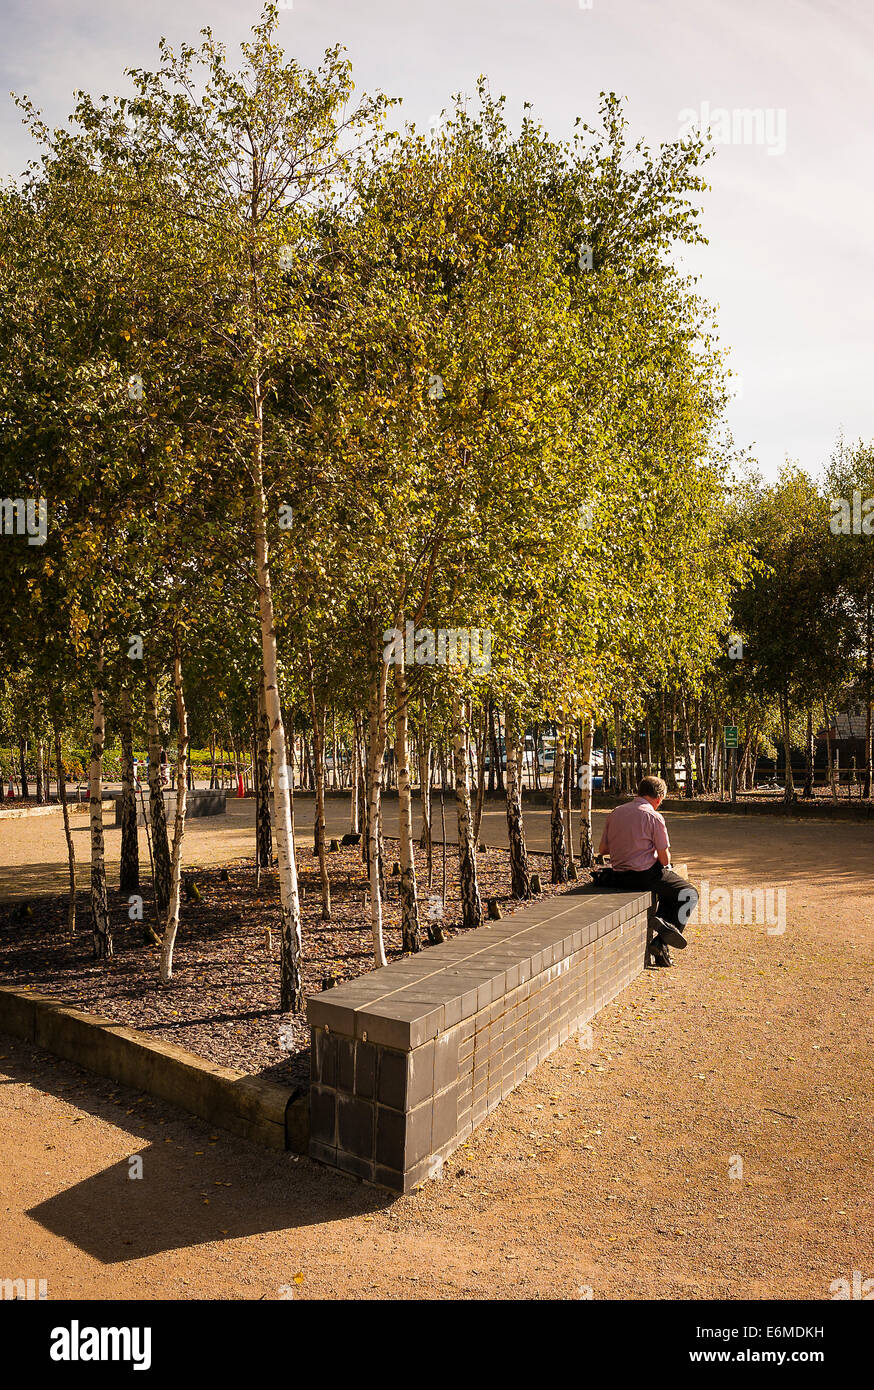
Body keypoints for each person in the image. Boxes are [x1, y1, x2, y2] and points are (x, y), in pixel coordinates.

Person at [596, 774, 698, 968]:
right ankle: (662, 940)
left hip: (618, 876)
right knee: (689, 894)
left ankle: (662, 934)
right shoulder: (653, 816)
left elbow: (603, 849)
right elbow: (665, 858)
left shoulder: (616, 812)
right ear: (659, 798)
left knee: (670, 891)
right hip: (644, 876)